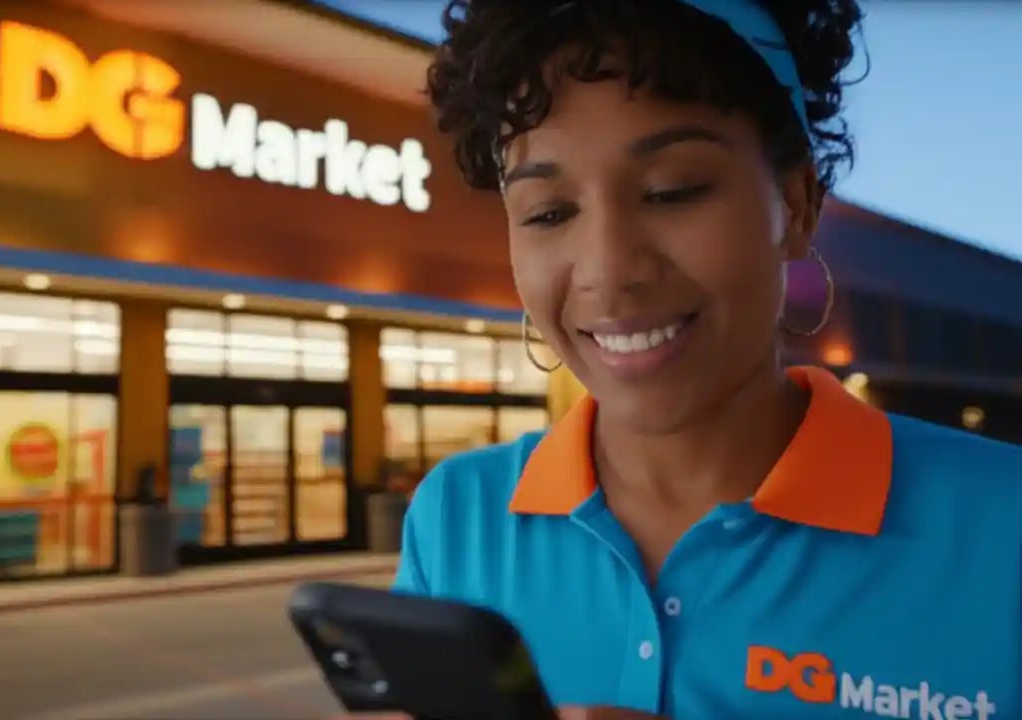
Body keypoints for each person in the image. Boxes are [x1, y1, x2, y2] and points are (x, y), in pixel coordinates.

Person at [358, 0, 1022, 717]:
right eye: (549, 213)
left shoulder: (1001, 527)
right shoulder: (460, 516)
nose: (609, 272)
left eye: (672, 191)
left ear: (796, 204)